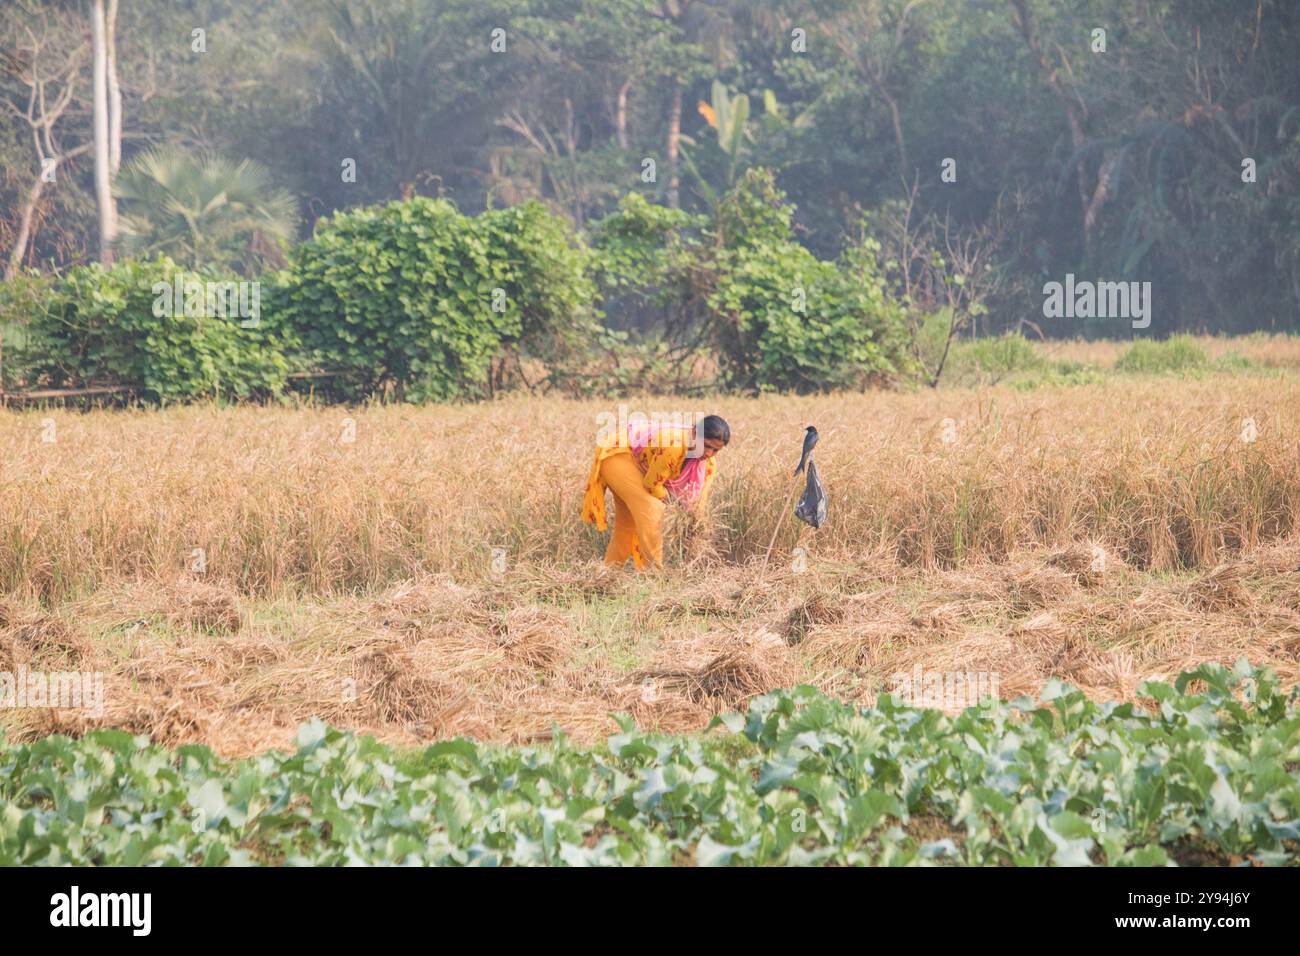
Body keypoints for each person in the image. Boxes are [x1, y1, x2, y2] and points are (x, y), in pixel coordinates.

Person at [581, 414, 730, 569]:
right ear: (694, 433)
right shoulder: (674, 446)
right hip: (618, 456)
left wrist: (695, 522)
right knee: (651, 508)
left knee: (627, 524)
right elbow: (652, 485)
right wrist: (675, 502)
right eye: (706, 445)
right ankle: (654, 574)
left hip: (639, 463)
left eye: (715, 450)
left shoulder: (708, 465)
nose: (709, 454)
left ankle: (609, 573)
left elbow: (699, 502)